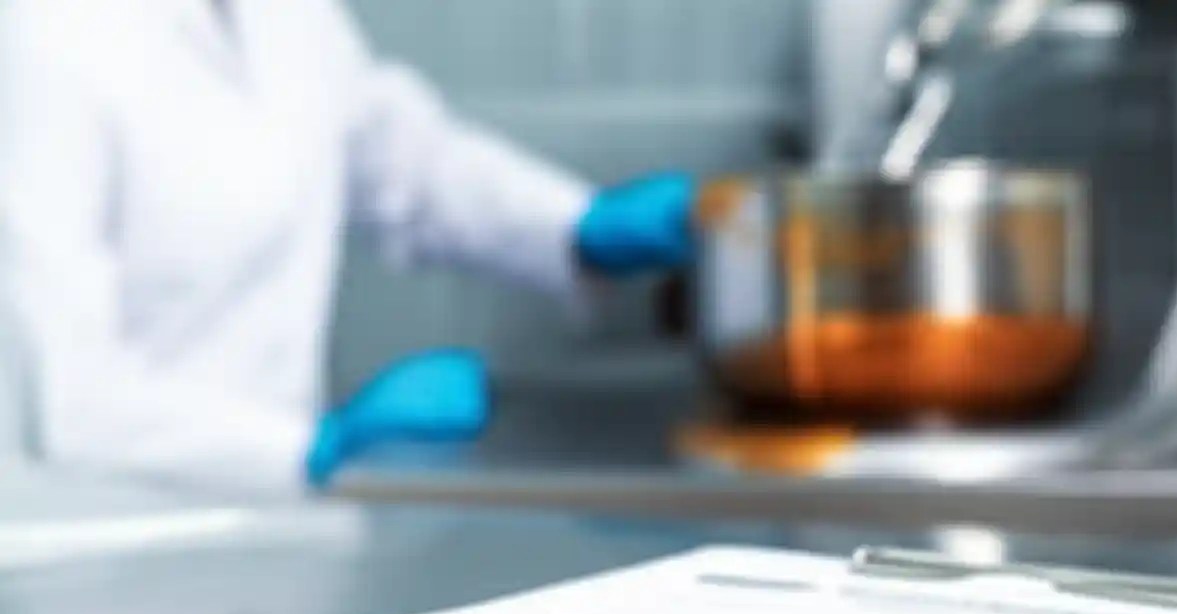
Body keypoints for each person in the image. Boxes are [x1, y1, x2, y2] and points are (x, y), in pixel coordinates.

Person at [0, 0, 696, 489]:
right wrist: (317, 445)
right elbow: (67, 401)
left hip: (276, 523)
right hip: (93, 543)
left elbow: (397, 158)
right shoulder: (40, 37)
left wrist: (577, 227)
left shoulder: (286, 15)